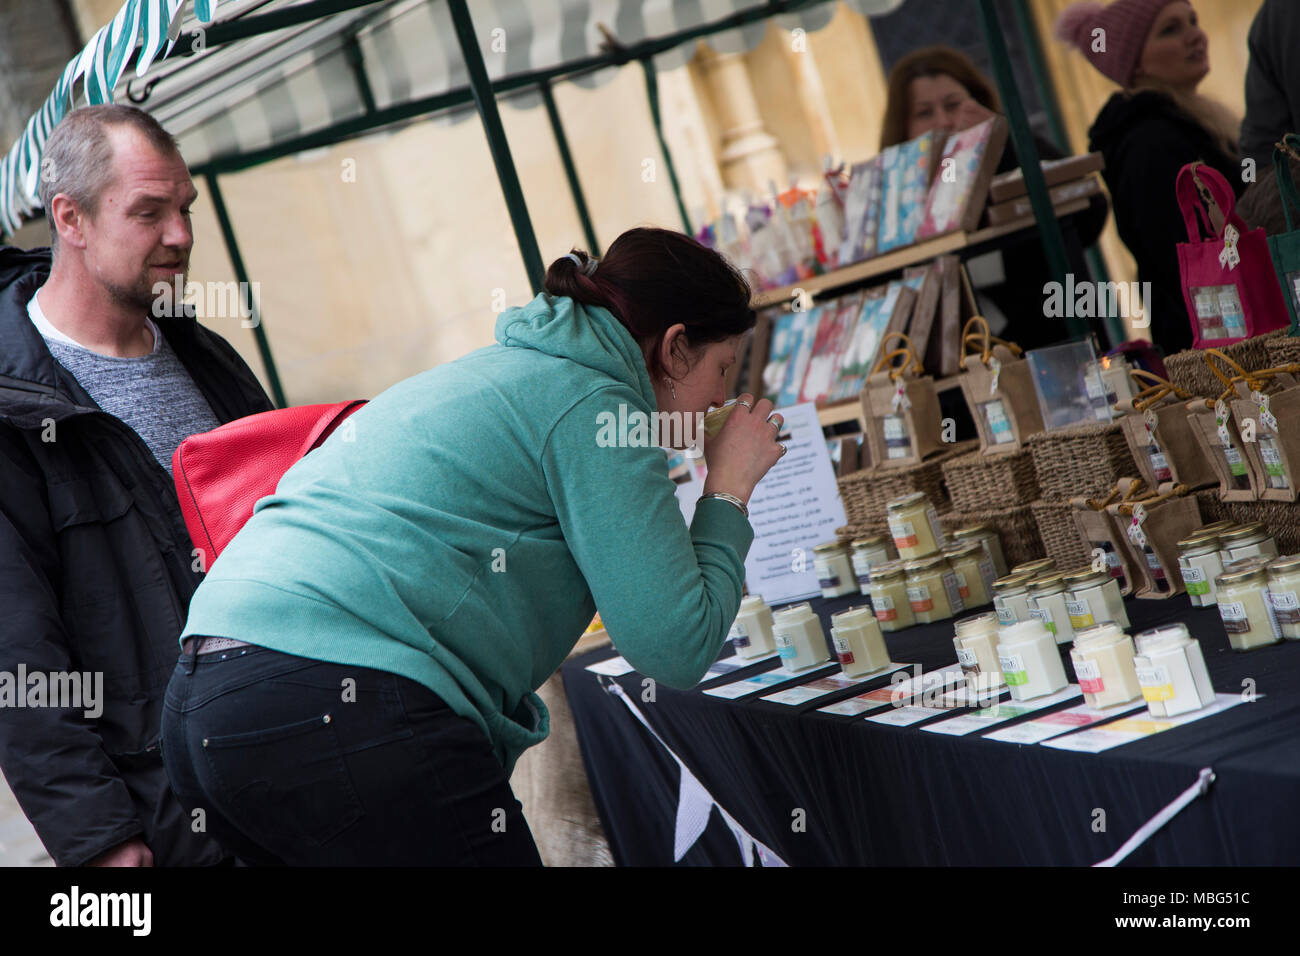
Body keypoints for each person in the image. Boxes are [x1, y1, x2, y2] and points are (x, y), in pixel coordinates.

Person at [161, 227, 784, 865]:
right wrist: (728, 492)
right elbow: (674, 646)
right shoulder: (598, 403)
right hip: (330, 698)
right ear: (676, 347)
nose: (722, 399)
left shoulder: (522, 371)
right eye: (722, 369)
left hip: (202, 701)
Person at [0, 105, 273, 867]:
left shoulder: (206, 353)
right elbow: (15, 654)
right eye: (149, 212)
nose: (181, 235)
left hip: (302, 762)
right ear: (71, 218)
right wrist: (99, 838)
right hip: (172, 815)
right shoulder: (13, 408)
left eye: (184, 208)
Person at [880, 45, 1109, 351]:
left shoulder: (1011, 150)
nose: (944, 121)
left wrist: (1001, 140)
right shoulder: (895, 201)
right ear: (903, 129)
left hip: (1060, 344)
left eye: (953, 105)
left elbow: (1090, 211)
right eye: (924, 113)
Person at [1057, 0, 1243, 354]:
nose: (1195, 36)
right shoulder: (1150, 143)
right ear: (1136, 62)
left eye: (1193, 21)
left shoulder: (1192, 121)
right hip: (1219, 342)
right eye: (1171, 30)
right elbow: (1179, 258)